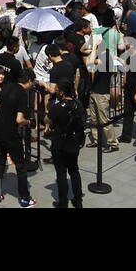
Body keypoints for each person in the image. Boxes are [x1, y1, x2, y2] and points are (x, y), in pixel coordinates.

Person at [0, 62, 34, 207]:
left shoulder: (7, 86)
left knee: (0, 162)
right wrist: (28, 122)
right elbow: (19, 119)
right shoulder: (22, 94)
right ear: (28, 82)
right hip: (10, 133)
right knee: (20, 166)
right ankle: (25, 198)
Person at [48, 79, 85, 209]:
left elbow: (50, 123)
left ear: (62, 92)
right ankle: (78, 199)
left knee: (61, 172)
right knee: (74, 170)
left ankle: (63, 201)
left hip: (60, 143)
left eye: (57, 89)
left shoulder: (56, 107)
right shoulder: (78, 104)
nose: (56, 91)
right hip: (74, 143)